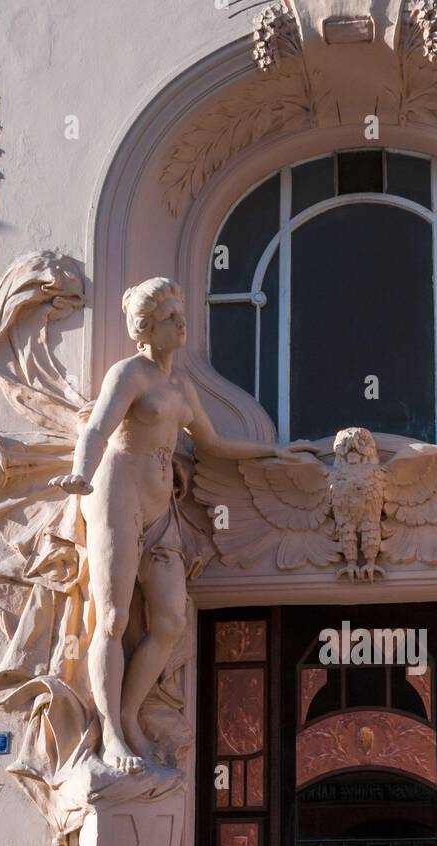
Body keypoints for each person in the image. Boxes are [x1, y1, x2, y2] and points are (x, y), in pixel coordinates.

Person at [53, 277, 308, 773]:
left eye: (180, 311)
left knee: (169, 620)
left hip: (159, 512)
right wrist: (81, 474)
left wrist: (277, 452)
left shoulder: (180, 386)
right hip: (115, 498)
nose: (181, 321)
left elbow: (212, 444)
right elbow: (98, 429)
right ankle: (110, 735)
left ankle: (128, 714)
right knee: (112, 619)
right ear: (146, 330)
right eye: (170, 316)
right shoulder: (129, 375)